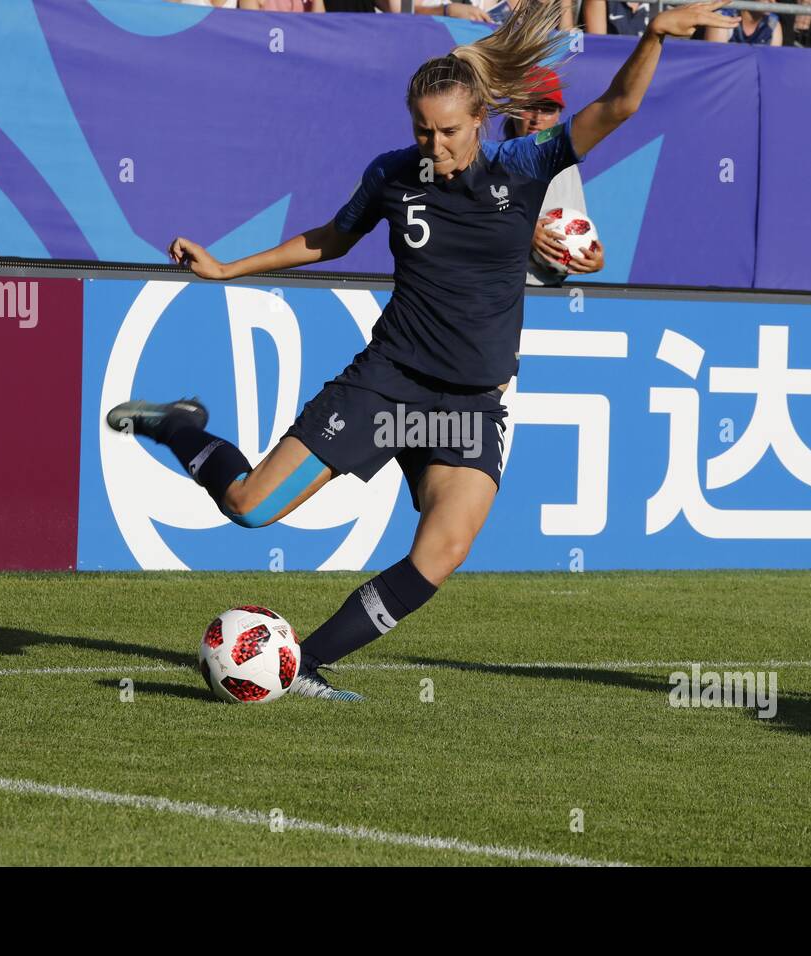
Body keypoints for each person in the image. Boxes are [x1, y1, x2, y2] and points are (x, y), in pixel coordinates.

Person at [109, 0, 730, 700]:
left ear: (480, 122)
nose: (434, 146)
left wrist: (652, 35)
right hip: (387, 385)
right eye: (423, 131)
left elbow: (617, 106)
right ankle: (180, 425)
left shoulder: (525, 166)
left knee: (444, 550)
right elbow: (329, 239)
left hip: (469, 402)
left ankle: (305, 663)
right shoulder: (393, 175)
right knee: (252, 508)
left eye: (448, 132)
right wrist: (226, 268)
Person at [503, 66, 605, 286]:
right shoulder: (492, 162)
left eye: (547, 109)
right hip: (502, 289)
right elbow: (473, 231)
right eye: (529, 106)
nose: (536, 118)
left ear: (558, 116)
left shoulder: (567, 168)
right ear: (512, 109)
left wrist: (590, 255)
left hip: (552, 289)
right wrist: (525, 232)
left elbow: (577, 227)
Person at [704, 6, 782, 44]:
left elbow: (772, 65)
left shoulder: (772, 23)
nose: (773, 1)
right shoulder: (723, 17)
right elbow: (715, 65)